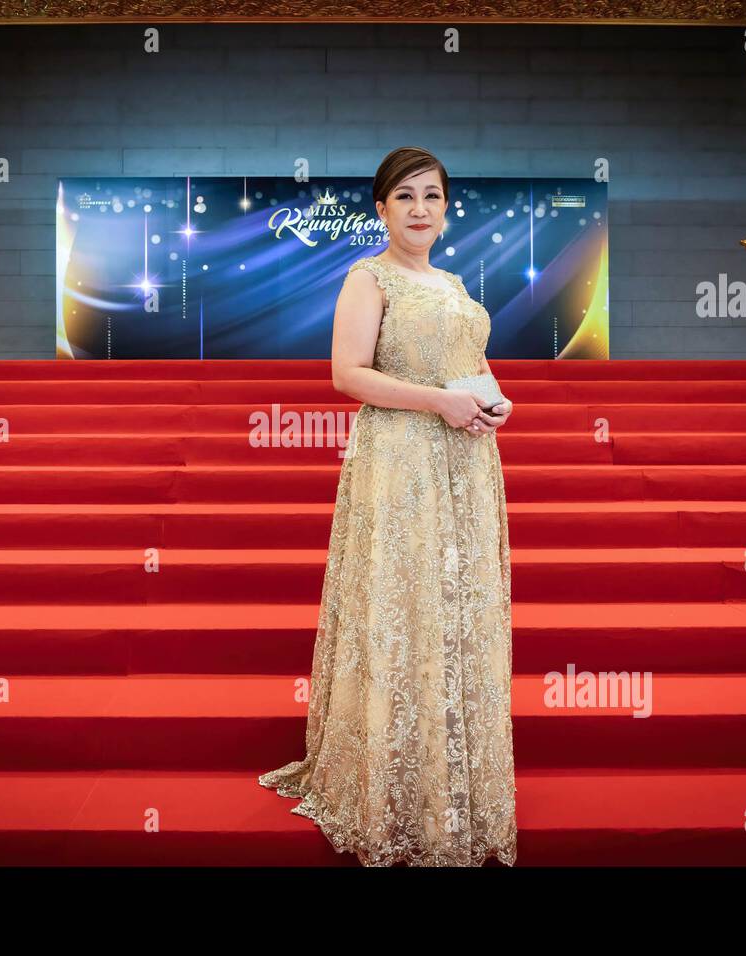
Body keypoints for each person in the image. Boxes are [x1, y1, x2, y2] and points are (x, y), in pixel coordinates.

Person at [258, 146, 517, 866]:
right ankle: (391, 781)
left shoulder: (457, 282)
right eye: (404, 196)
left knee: (455, 606)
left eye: (431, 196)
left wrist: (494, 399)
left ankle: (451, 772)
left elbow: (474, 363)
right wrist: (440, 402)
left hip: (467, 461)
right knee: (404, 605)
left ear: (445, 207)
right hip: (400, 458)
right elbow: (347, 375)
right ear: (381, 209)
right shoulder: (368, 278)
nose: (420, 208)